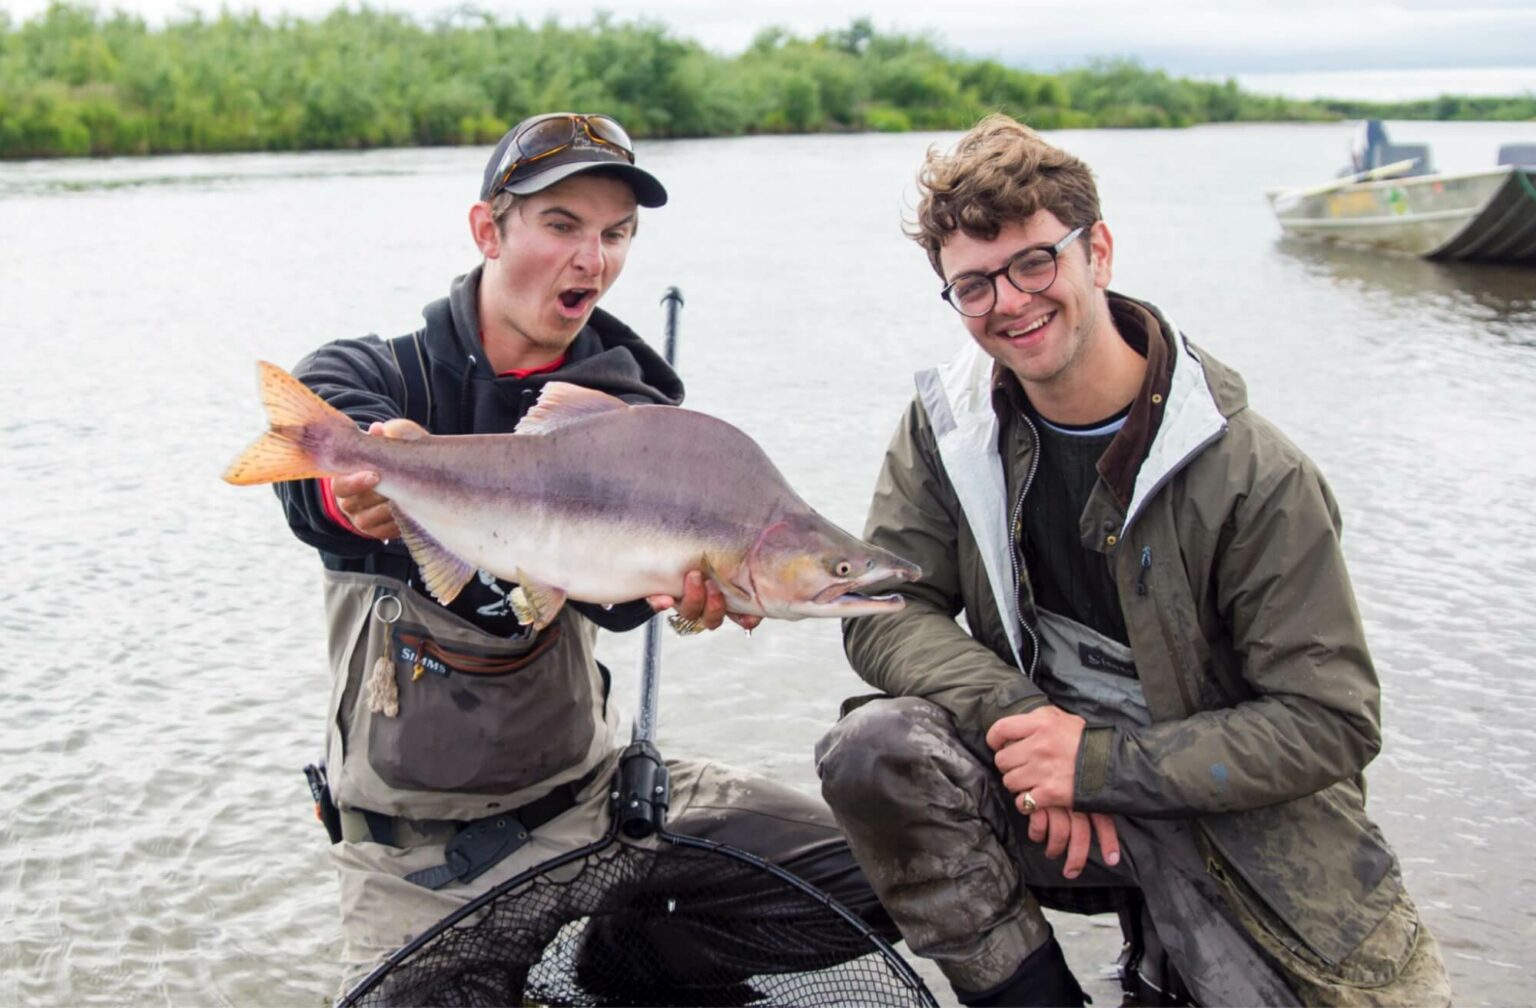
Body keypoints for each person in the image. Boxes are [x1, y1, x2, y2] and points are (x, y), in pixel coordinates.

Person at [814, 114, 1452, 1007]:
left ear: (1098, 251)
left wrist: (1103, 764)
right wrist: (1034, 729)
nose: (1010, 301)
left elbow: (1330, 724)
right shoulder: (945, 428)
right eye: (973, 285)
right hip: (1045, 785)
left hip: (1226, 811)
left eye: (1036, 262)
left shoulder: (1256, 473)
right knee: (874, 750)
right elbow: (882, 607)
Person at [272, 111, 893, 995]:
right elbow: (309, 495)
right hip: (415, 863)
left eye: (615, 234)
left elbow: (610, 604)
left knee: (877, 879)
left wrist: (675, 599)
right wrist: (355, 492)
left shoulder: (632, 408)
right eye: (561, 225)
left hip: (594, 802)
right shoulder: (382, 377)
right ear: (489, 228)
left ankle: (619, 973)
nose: (592, 261)